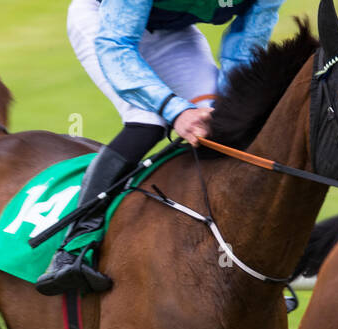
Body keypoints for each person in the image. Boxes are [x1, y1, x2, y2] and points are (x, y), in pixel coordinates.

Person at [37, 0, 284, 296]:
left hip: (173, 33)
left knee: (222, 126)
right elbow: (117, 44)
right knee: (148, 120)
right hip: (106, 24)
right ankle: (73, 248)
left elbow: (243, 52)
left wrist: (230, 110)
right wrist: (175, 109)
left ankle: (242, 262)